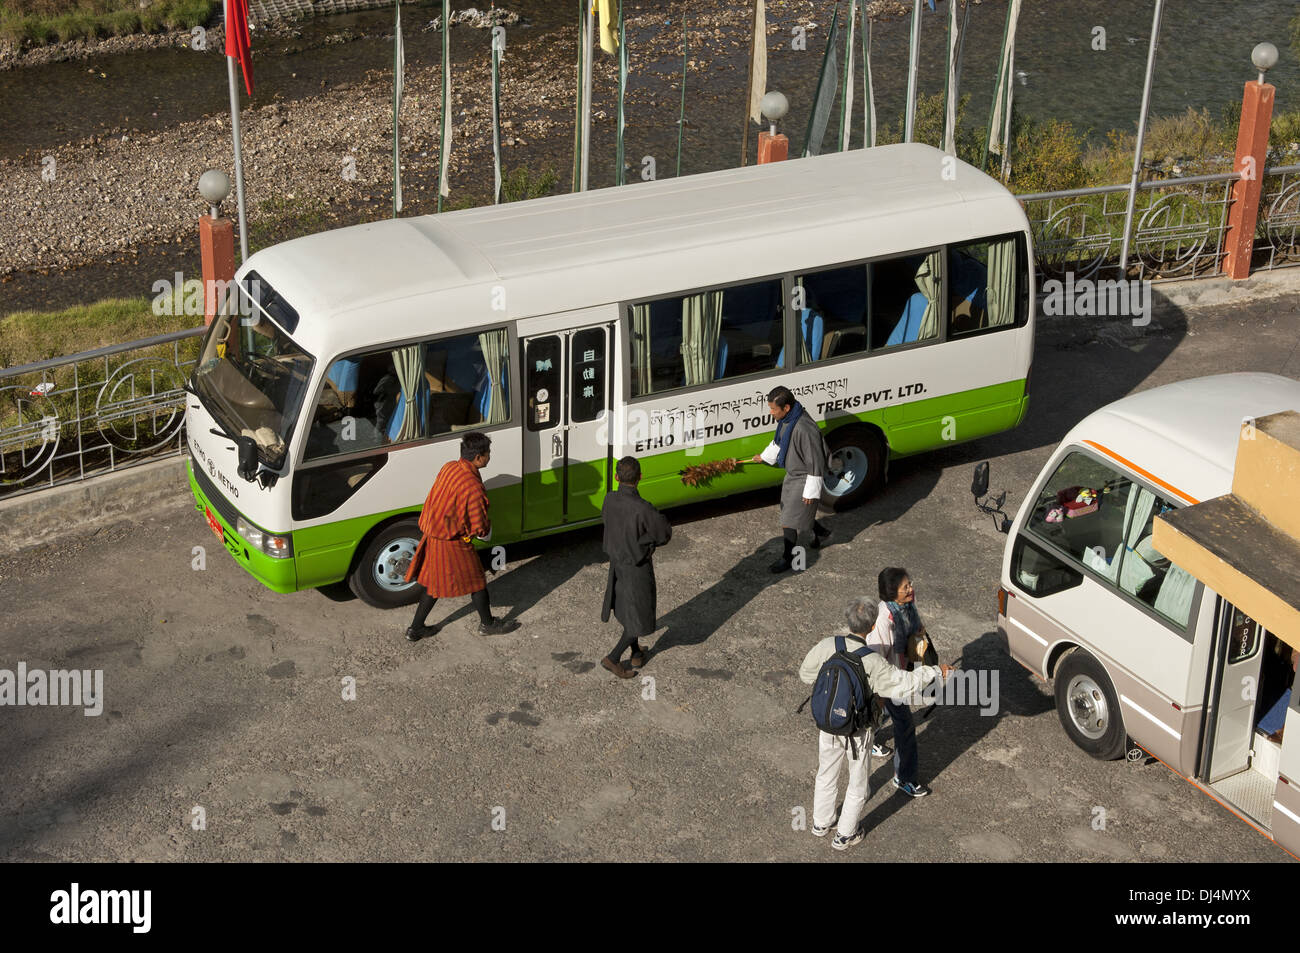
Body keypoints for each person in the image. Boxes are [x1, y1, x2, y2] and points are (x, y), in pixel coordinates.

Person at [799, 597, 952, 850]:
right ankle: (846, 834)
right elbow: (904, 683)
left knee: (826, 773)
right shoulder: (872, 661)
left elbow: (805, 674)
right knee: (858, 783)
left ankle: (821, 822)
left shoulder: (828, 644)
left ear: (848, 620)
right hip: (857, 730)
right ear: (872, 628)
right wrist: (935, 672)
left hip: (828, 724)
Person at [403, 431, 520, 640]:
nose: (489, 457)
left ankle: (415, 629)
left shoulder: (450, 467)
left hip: (433, 535)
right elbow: (479, 526)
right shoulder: (472, 486)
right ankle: (488, 624)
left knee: (435, 585)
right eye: (488, 453)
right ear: (478, 458)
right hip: (452, 542)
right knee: (477, 582)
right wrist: (485, 531)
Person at [599, 456, 672, 679]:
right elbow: (664, 534)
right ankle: (613, 658)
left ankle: (636, 652)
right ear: (640, 477)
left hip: (617, 565)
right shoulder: (643, 509)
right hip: (637, 568)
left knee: (627, 608)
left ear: (616, 477)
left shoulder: (609, 499)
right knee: (639, 615)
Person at [750, 385, 831, 573]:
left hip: (804, 477)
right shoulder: (787, 419)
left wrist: (811, 491)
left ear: (786, 408)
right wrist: (764, 456)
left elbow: (815, 461)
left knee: (789, 520)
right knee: (793, 512)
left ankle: (789, 558)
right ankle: (822, 533)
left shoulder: (804, 428)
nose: (771, 413)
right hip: (792, 475)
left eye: (773, 409)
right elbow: (779, 442)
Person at [867, 567, 933, 796]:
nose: (911, 589)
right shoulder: (884, 619)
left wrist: (919, 635)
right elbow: (875, 658)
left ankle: (870, 736)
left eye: (910, 584)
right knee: (905, 728)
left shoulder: (906, 609)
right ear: (892, 592)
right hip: (890, 680)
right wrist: (882, 689)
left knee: (886, 712)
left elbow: (913, 634)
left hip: (901, 673)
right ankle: (904, 778)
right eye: (906, 587)